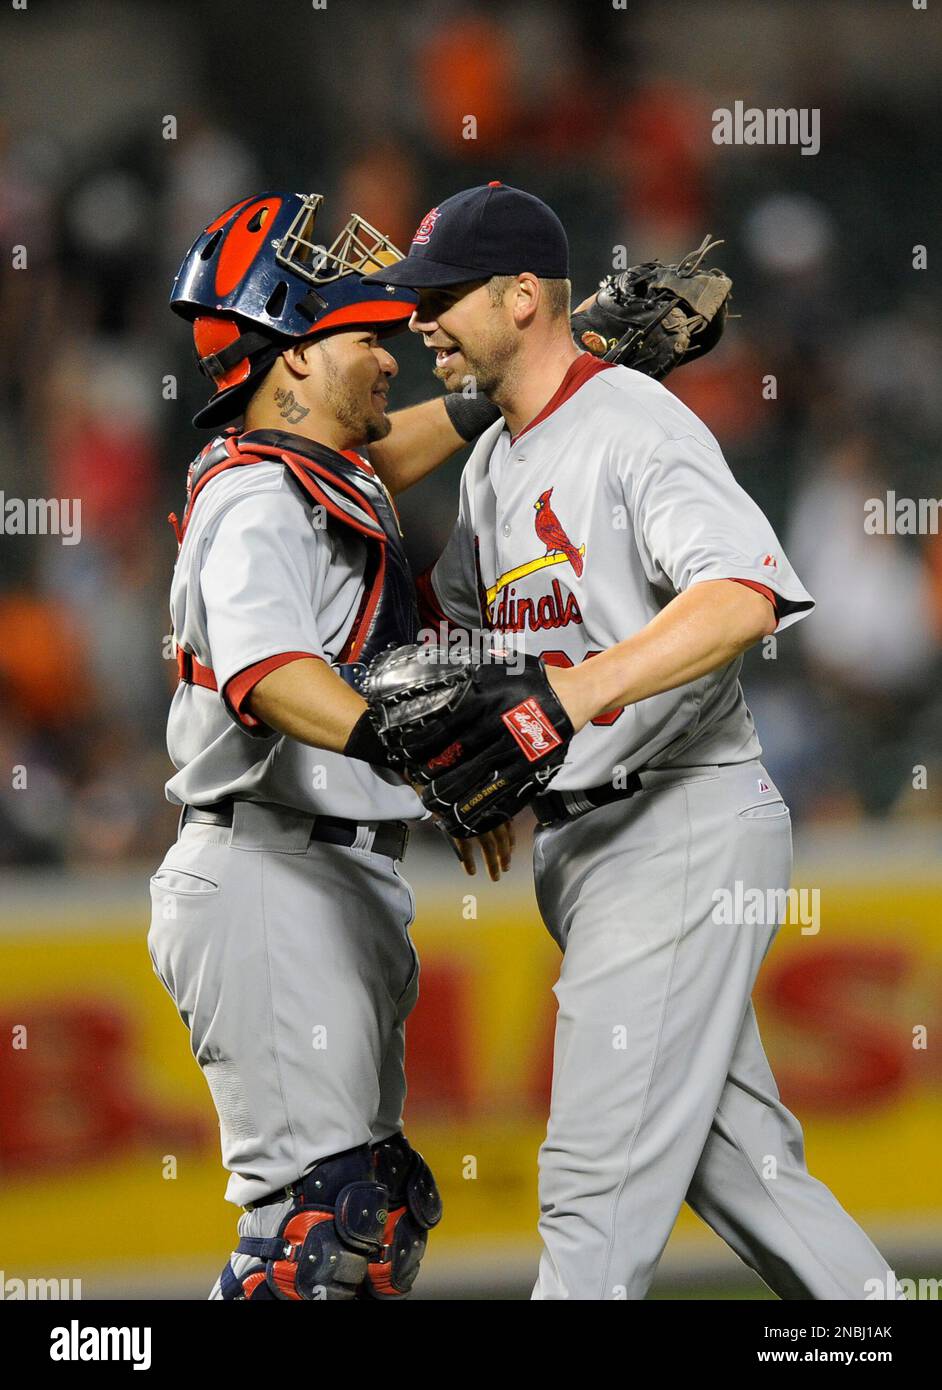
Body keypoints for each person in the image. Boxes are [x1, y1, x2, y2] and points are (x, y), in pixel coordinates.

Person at [364, 182, 905, 1300]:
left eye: (441, 298)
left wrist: (572, 696)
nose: (418, 323)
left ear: (522, 298)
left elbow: (744, 595)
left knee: (592, 1192)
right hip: (596, 841)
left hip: (679, 816)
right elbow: (458, 637)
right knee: (753, 1177)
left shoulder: (634, 427)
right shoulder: (493, 463)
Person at [149, 190, 515, 1301]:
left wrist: (545, 364)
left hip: (329, 867)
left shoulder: (311, 476)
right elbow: (268, 673)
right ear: (293, 363)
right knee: (315, 1240)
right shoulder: (259, 498)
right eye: (364, 338)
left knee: (369, 1227)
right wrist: (411, 744)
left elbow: (386, 455)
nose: (393, 355)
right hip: (270, 866)